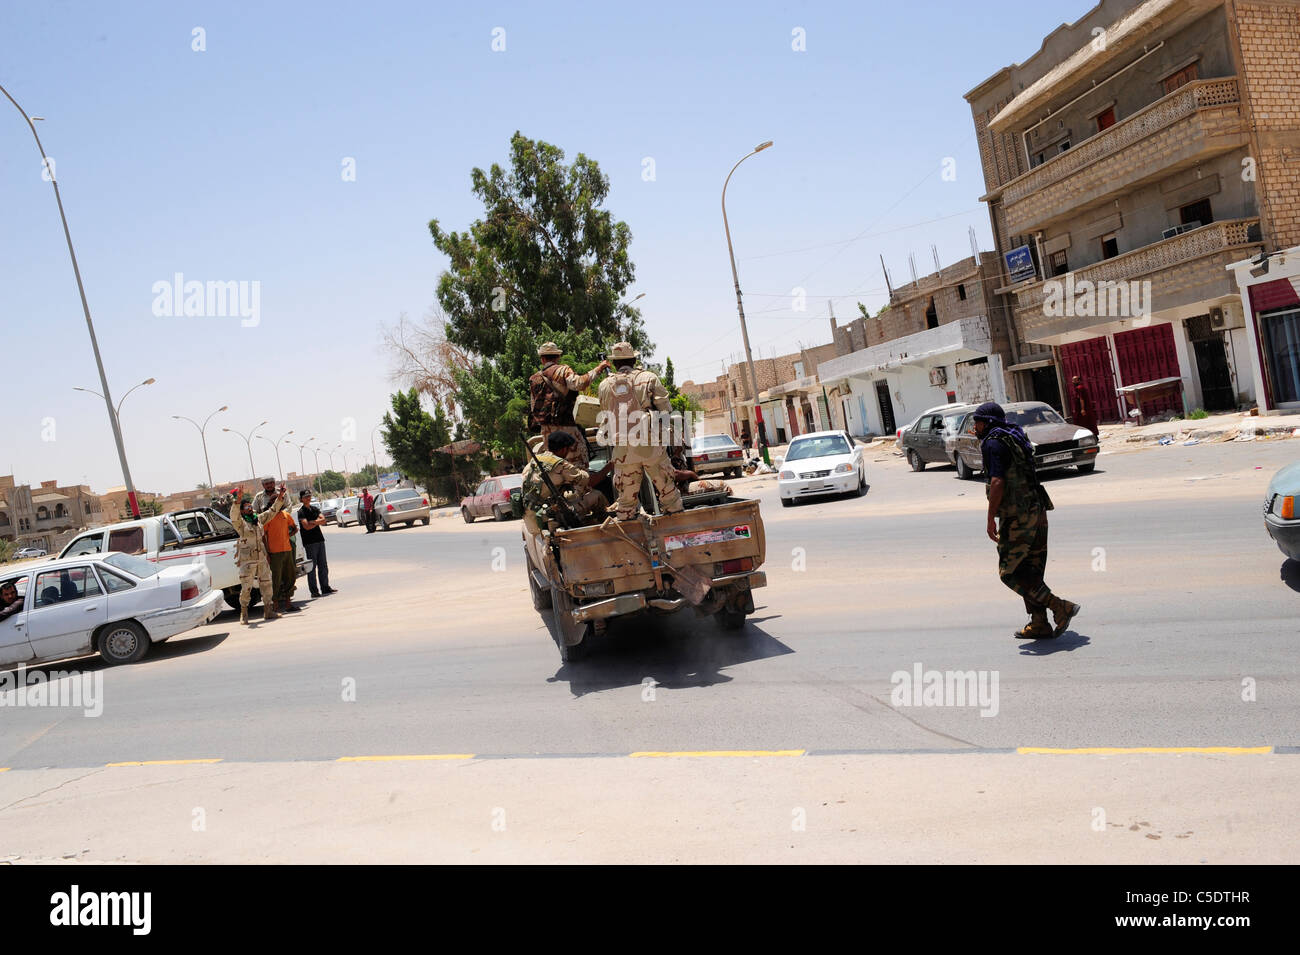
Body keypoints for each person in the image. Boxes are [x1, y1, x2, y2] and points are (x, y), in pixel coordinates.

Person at [973, 401, 1080, 639]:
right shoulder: (1015, 436)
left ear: (988, 422)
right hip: (1038, 509)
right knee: (1030, 570)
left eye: (977, 422)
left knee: (1010, 572)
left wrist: (990, 518)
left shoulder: (993, 443)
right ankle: (1039, 623)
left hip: (1017, 515)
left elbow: (998, 482)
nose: (975, 427)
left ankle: (1059, 606)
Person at [597, 341, 683, 521]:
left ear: (614, 363)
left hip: (622, 451)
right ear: (634, 359)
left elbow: (605, 415)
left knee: (626, 502)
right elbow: (666, 411)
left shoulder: (605, 385)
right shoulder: (649, 378)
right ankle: (679, 530)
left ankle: (630, 543)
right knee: (668, 494)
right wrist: (671, 440)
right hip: (650, 445)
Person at [529, 341, 611, 470]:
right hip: (566, 429)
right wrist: (598, 369)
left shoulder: (534, 378)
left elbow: (533, 406)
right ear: (557, 357)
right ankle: (580, 490)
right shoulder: (562, 370)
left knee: (555, 468)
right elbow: (578, 383)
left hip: (547, 432)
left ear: (542, 359)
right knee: (578, 467)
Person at [522, 431, 613, 527]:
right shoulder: (561, 465)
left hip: (531, 520)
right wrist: (610, 466)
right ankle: (607, 526)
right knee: (597, 496)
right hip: (551, 519)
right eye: (569, 449)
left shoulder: (534, 461)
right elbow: (591, 481)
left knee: (571, 496)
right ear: (564, 449)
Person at [229, 486, 279, 624]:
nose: (250, 508)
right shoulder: (240, 523)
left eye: (250, 505)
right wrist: (237, 501)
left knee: (267, 583)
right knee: (246, 587)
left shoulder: (258, 520)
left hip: (261, 558)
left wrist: (280, 499)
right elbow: (233, 516)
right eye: (246, 507)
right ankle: (244, 613)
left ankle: (268, 610)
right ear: (242, 510)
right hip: (247, 560)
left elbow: (271, 512)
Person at [262, 483, 301, 614]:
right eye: (275, 501)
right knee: (276, 580)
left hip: (287, 550)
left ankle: (289, 604)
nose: (278, 503)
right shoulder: (268, 517)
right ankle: (276, 606)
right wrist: (267, 552)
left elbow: (295, 528)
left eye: (279, 500)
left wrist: (287, 536)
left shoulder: (286, 515)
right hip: (275, 553)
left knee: (290, 576)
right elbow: (263, 536)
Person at [297, 489, 336, 598]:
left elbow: (324, 520)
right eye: (305, 497)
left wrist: (313, 522)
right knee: (312, 567)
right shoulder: (301, 512)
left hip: (319, 539)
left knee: (323, 565)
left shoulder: (314, 509)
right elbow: (306, 526)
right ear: (301, 499)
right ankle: (314, 591)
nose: (308, 498)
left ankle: (325, 587)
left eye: (309, 496)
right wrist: (316, 522)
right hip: (310, 542)